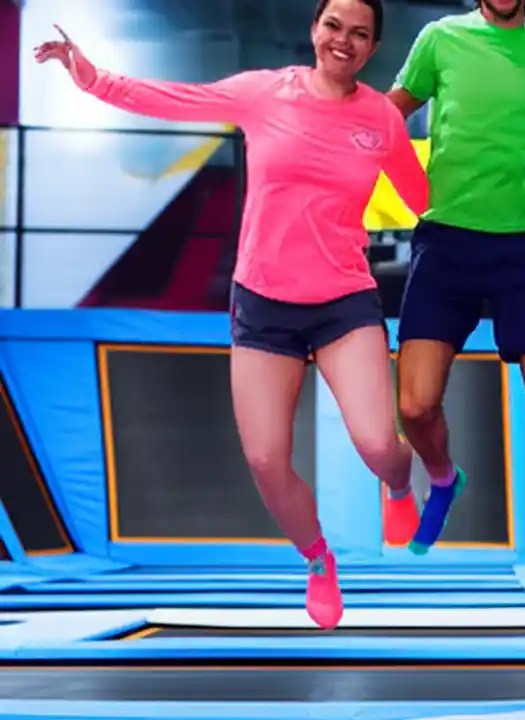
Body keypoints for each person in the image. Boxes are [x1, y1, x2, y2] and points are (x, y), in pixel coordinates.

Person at [34, 0, 430, 630]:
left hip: (343, 300)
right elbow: (168, 99)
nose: (343, 41)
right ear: (314, 29)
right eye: (334, 26)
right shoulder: (264, 93)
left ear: (372, 48)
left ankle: (402, 489)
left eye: (359, 34)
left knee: (380, 443)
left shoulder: (380, 118)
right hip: (264, 302)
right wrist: (87, 74)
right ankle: (318, 557)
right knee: (267, 462)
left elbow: (425, 199)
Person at [383, 0, 525, 605]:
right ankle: (443, 480)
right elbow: (390, 116)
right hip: (446, 241)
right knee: (415, 408)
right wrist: (411, 192)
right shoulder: (440, 40)